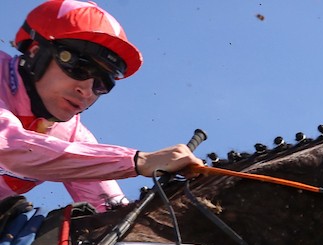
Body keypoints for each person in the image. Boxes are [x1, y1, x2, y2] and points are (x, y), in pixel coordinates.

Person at [1, 1, 201, 214]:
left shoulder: (72, 135)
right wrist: (138, 161)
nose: (87, 91)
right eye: (79, 68)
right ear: (35, 51)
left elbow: (110, 208)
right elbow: (10, 150)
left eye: (102, 82)